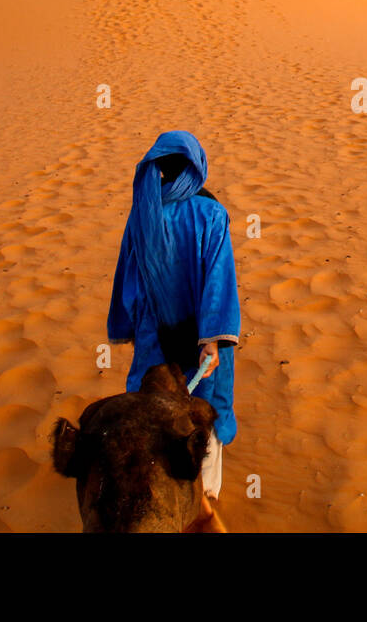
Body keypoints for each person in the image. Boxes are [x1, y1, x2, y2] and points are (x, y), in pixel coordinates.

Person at [107, 131, 240, 512]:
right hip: (204, 333)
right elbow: (219, 278)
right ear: (197, 166)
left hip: (154, 332)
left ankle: (154, 487)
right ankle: (206, 498)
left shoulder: (144, 213)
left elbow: (127, 277)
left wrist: (131, 323)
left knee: (154, 407)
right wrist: (213, 340)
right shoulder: (211, 213)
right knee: (207, 408)